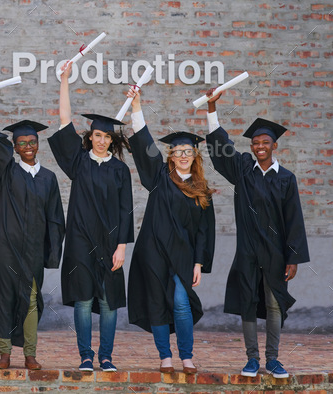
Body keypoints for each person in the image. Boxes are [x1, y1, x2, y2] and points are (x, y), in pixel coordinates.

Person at [204, 90, 310, 378]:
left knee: (275, 304)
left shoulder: (286, 178)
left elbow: (294, 219)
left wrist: (294, 257)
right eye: (255, 143)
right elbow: (220, 149)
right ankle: (252, 359)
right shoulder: (243, 169)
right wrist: (212, 106)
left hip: (276, 252)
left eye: (265, 142)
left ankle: (273, 359)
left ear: (274, 145)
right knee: (248, 303)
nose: (259, 147)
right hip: (248, 251)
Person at [0, 85, 65, 371]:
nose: (27, 147)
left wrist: (51, 254)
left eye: (31, 142)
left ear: (38, 144)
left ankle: (30, 354)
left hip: (33, 251)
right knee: (5, 298)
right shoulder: (7, 172)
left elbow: (55, 218)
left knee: (32, 301)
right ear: (15, 147)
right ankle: (4, 353)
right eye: (21, 143)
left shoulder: (48, 179)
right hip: (6, 249)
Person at [47, 62, 134, 373]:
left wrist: (122, 246)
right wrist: (65, 81)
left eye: (106, 136)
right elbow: (64, 120)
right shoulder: (79, 162)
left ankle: (106, 356)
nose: (101, 140)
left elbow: (127, 209)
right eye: (96, 135)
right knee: (83, 300)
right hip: (81, 242)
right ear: (90, 136)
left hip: (111, 243)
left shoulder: (120, 170)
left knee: (109, 302)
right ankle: (86, 356)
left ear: (112, 140)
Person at [125, 87, 215, 374]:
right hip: (153, 251)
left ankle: (186, 356)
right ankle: (165, 356)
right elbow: (143, 143)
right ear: (172, 156)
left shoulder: (201, 190)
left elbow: (204, 231)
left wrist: (199, 262)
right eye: (178, 152)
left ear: (194, 155)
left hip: (183, 256)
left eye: (188, 151)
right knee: (156, 302)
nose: (183, 155)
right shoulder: (159, 177)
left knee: (180, 302)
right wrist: (136, 105)